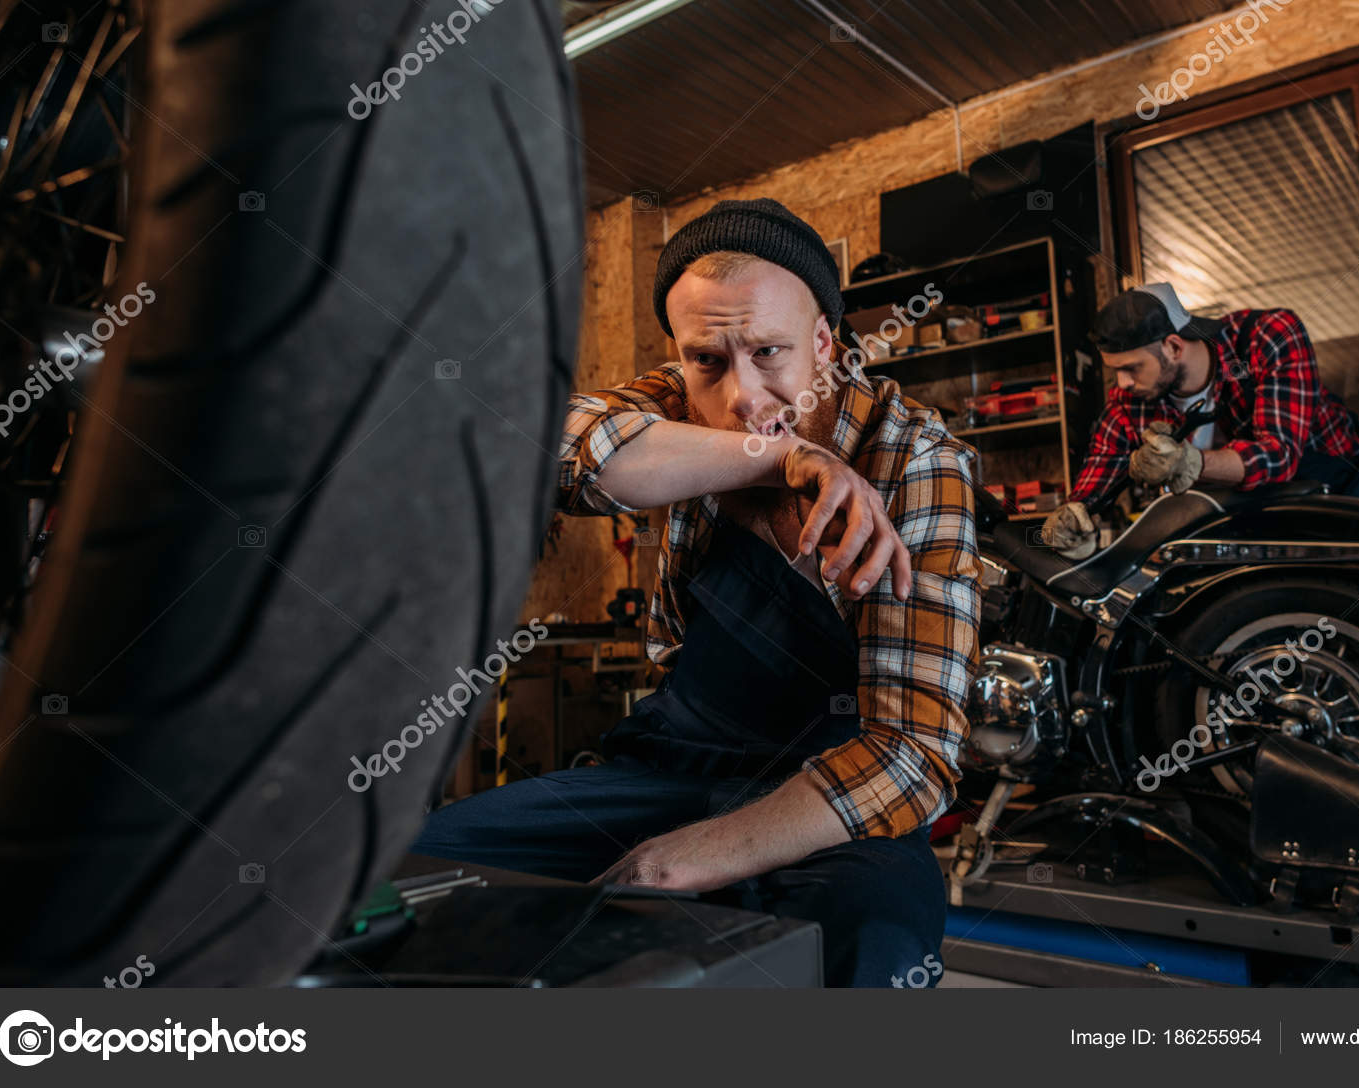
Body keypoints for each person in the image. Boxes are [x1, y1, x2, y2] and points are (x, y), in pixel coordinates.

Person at [412, 197, 981, 987]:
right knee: (420, 867)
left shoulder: (914, 458)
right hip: (670, 764)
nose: (742, 395)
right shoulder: (680, 399)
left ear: (825, 342)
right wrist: (772, 461)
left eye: (770, 353)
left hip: (834, 785)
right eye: (708, 360)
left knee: (875, 948)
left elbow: (910, 755)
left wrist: (700, 852)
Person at [1041, 283, 1359, 559]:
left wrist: (1190, 462)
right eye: (1115, 371)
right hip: (1256, 513)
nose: (1121, 384)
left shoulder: (1268, 337)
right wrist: (1076, 514)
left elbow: (1279, 454)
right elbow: (1105, 459)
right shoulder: (1133, 397)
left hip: (1346, 489)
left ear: (1174, 347)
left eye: (1131, 368)